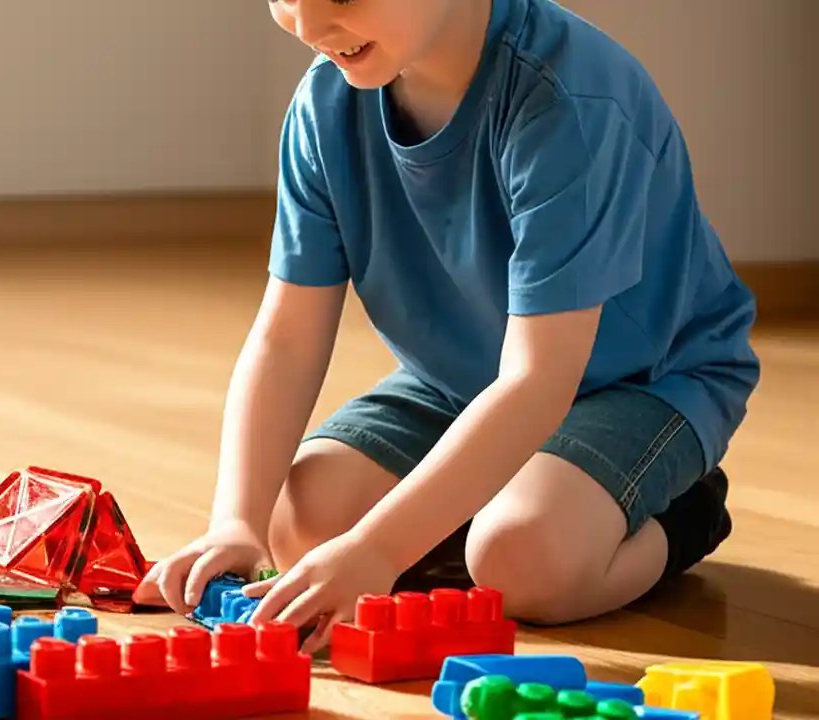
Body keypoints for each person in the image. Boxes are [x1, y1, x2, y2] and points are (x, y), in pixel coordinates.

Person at [133, 0, 759, 653]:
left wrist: (378, 547)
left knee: (522, 560)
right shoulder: (325, 109)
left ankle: (682, 510)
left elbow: (539, 379)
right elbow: (287, 336)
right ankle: (511, 512)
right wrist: (236, 521)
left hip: (646, 383)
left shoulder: (566, 103)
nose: (312, 27)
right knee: (300, 521)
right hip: (463, 381)